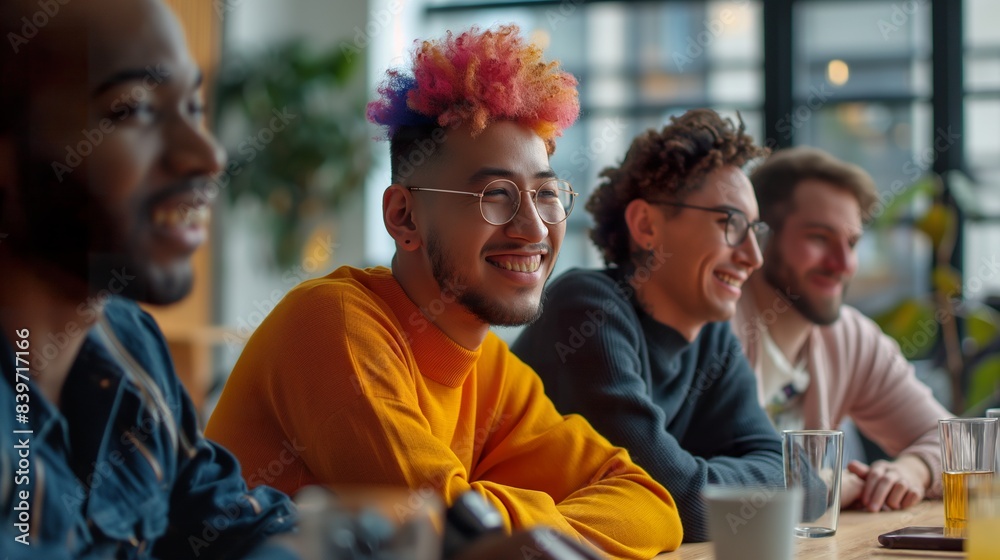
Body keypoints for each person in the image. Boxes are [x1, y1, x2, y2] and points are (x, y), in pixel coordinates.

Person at [206, 25, 682, 558]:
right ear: (403, 216)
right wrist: (519, 520)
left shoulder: (494, 372)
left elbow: (651, 504)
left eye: (547, 193)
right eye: (495, 195)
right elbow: (445, 531)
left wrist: (503, 519)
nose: (534, 228)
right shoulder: (330, 323)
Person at [0, 0, 297, 558]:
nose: (207, 155)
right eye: (133, 109)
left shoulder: (128, 344)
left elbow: (232, 527)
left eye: (192, 106)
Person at [512, 109, 785, 542]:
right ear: (646, 226)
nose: (754, 256)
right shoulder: (586, 309)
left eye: (755, 230)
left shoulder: (711, 336)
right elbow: (677, 500)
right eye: (729, 223)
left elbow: (787, 468)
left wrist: (708, 478)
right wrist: (719, 480)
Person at [733, 146, 951, 512]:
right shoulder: (715, 325)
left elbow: (956, 444)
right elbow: (701, 477)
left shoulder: (850, 338)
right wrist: (831, 485)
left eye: (851, 243)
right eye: (819, 238)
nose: (843, 263)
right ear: (762, 237)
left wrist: (911, 471)